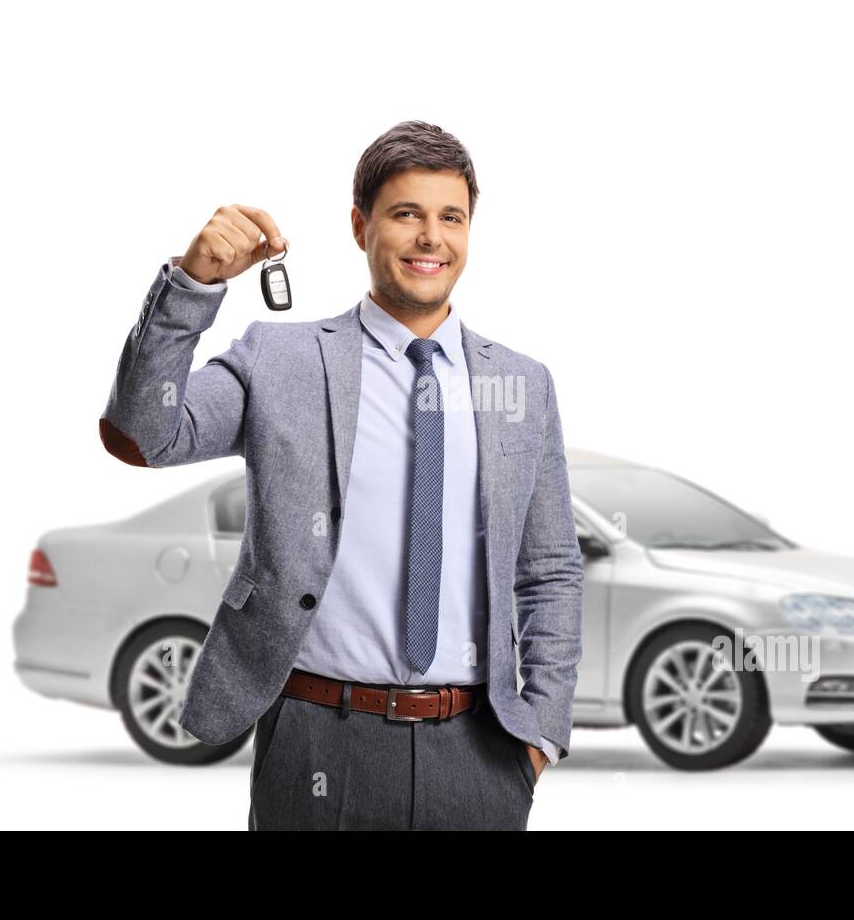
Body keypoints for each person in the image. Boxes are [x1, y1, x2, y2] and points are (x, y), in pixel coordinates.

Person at [99, 120, 583, 829]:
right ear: (361, 227)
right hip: (318, 742)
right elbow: (143, 435)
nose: (431, 238)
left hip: (480, 756)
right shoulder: (281, 362)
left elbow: (550, 571)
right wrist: (191, 287)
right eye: (406, 214)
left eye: (451, 217)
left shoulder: (521, 385)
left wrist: (538, 736)